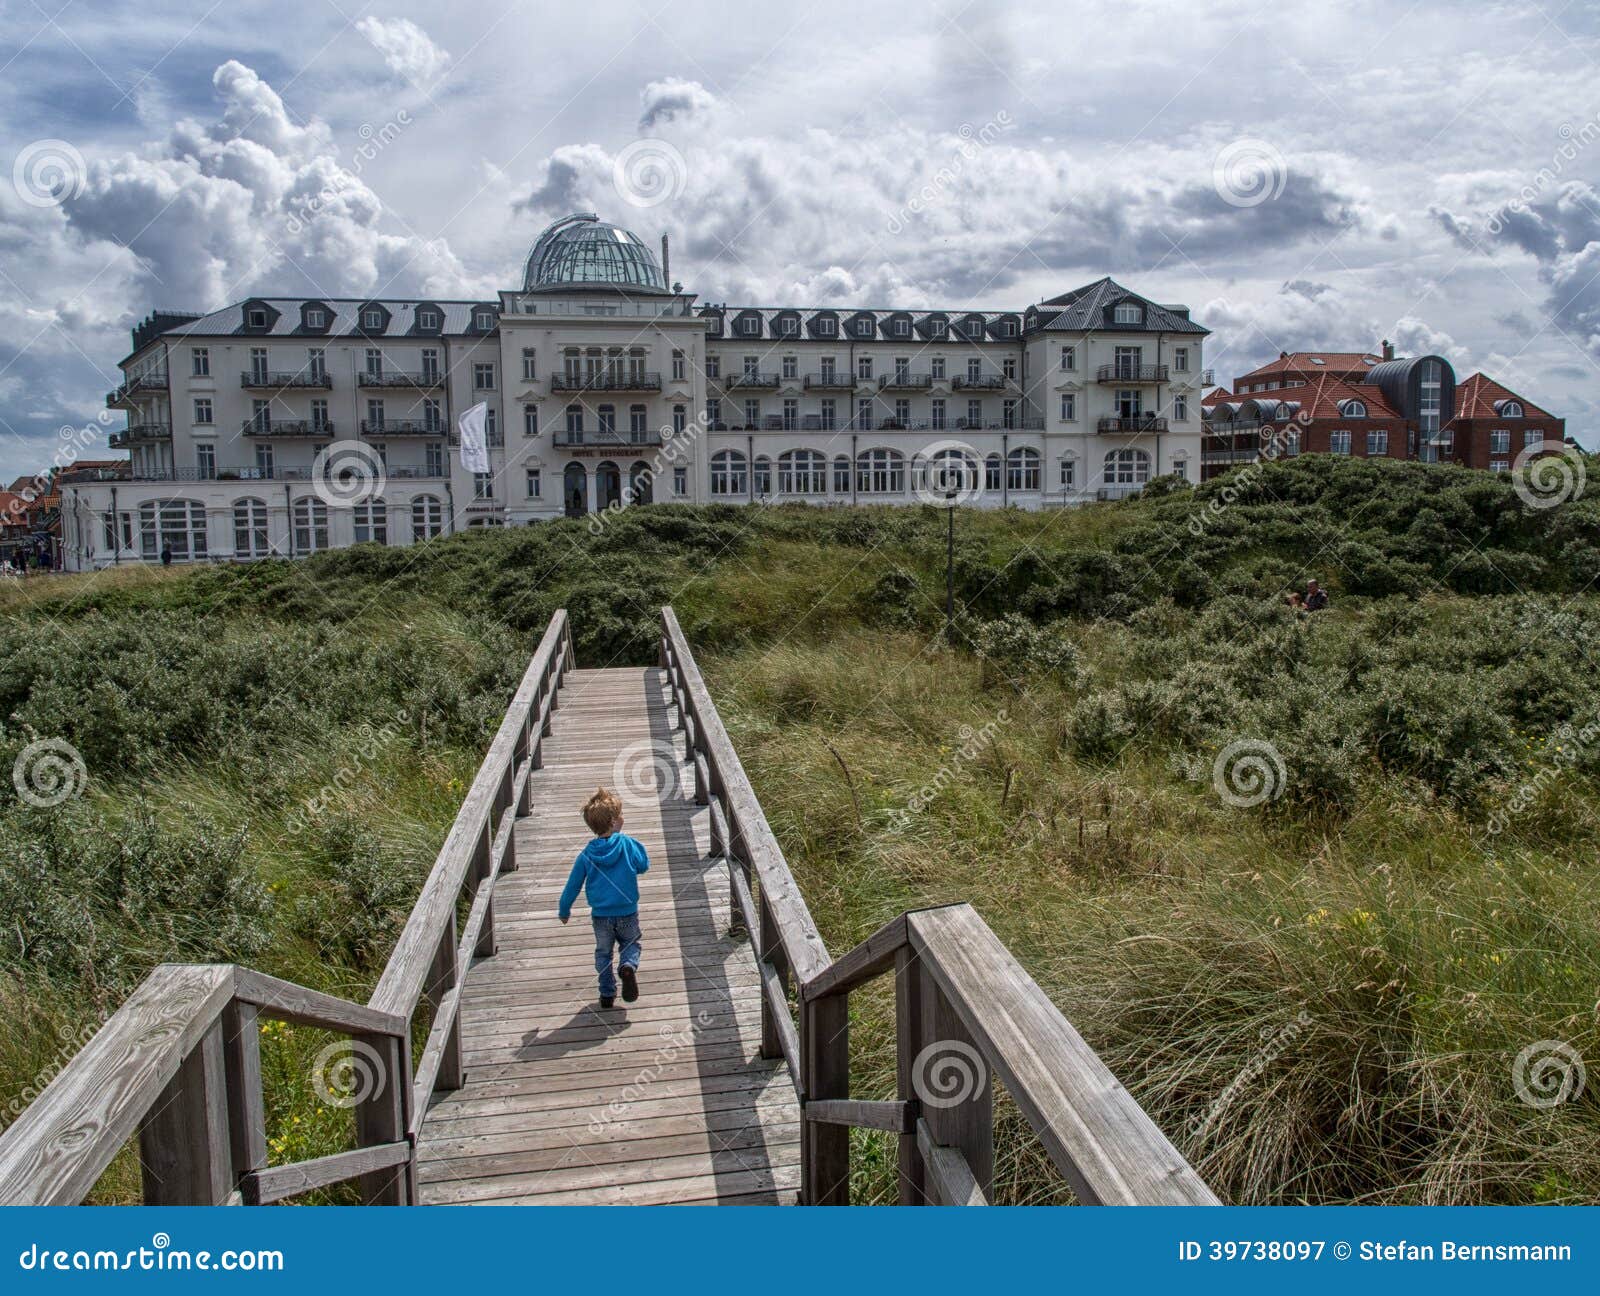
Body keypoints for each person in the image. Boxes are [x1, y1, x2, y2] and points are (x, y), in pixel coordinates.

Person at [558, 787, 650, 1009]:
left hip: (601, 916)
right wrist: (620, 834)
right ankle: (627, 967)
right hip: (627, 910)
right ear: (614, 821)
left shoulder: (587, 855)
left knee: (603, 953)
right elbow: (642, 865)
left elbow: (573, 885)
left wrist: (564, 909)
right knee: (631, 944)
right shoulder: (626, 844)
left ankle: (607, 993)